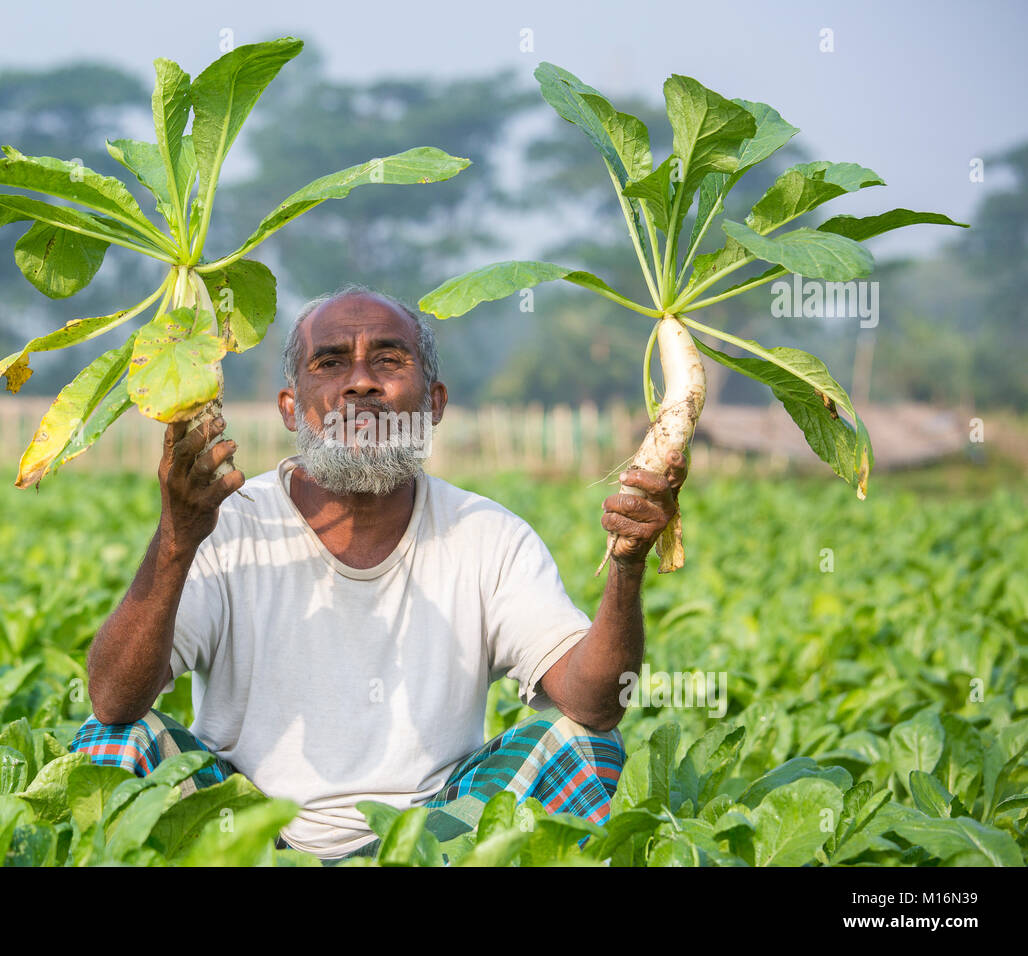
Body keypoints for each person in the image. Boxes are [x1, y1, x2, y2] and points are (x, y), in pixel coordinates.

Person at [70, 283, 686, 861]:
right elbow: (115, 699)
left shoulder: (487, 534)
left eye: (389, 361)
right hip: (250, 838)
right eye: (330, 363)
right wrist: (177, 539)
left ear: (435, 402)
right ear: (291, 407)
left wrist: (626, 568)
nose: (359, 383)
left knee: (581, 746)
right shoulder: (229, 524)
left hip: (431, 842)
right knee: (115, 744)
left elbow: (596, 704)